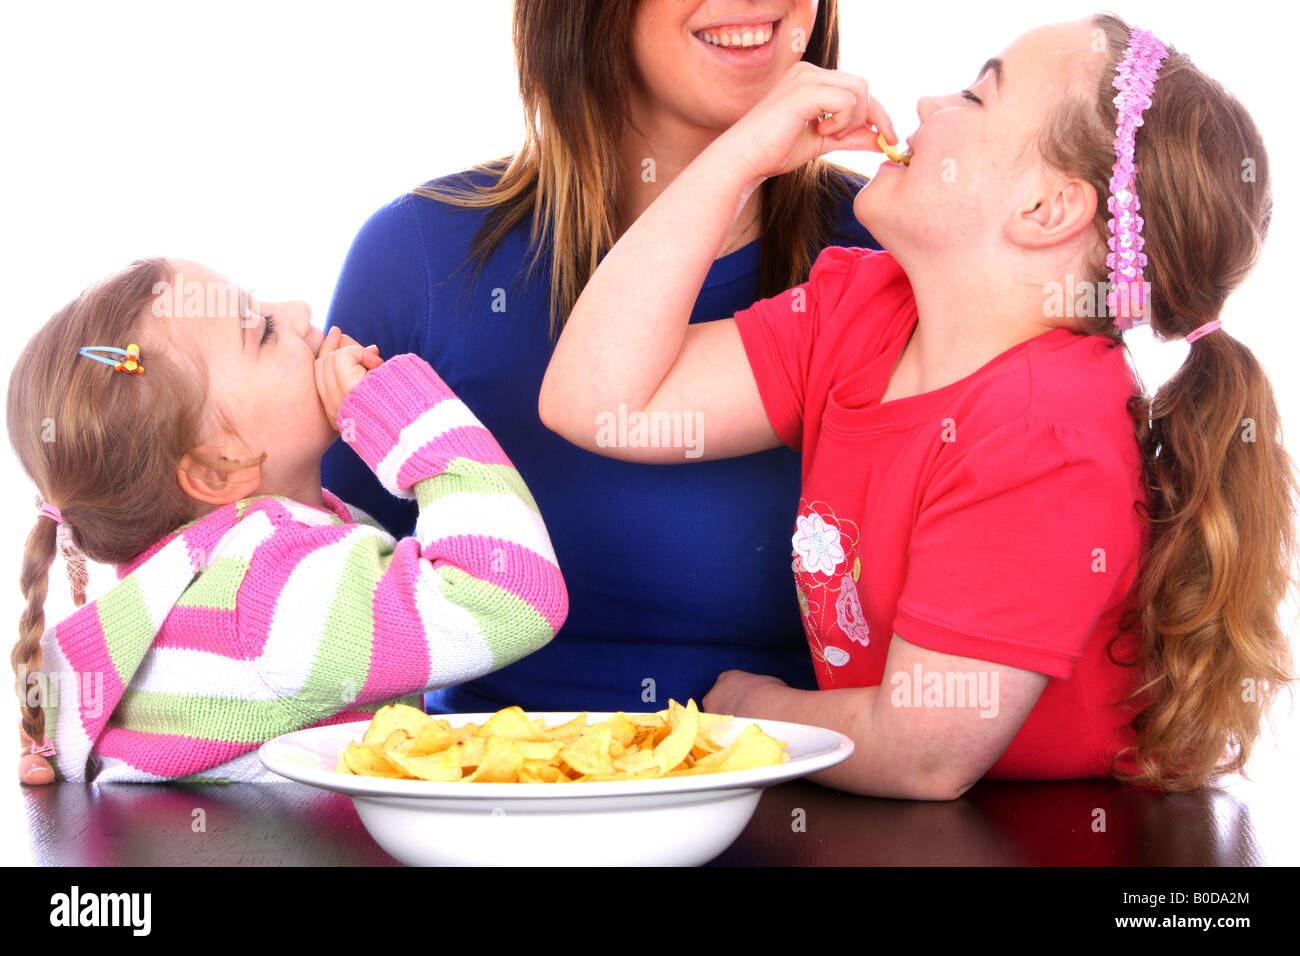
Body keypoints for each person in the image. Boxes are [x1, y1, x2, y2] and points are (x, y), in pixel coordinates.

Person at [539, 13, 1297, 797]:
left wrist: (744, 708)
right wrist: (739, 158)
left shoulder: (1047, 432)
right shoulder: (861, 311)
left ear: (1046, 209)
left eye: (974, 96)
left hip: (1052, 833)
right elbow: (598, 401)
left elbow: (922, 753)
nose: (931, 103)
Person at [322, 0, 884, 714]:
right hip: (497, 801)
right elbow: (327, 614)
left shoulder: (892, 252)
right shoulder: (420, 257)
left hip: (819, 803)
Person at [10, 258, 567, 784]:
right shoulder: (269, 593)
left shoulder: (190, 582)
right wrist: (402, 410)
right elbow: (510, 596)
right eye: (264, 329)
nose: (300, 311)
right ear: (216, 467)